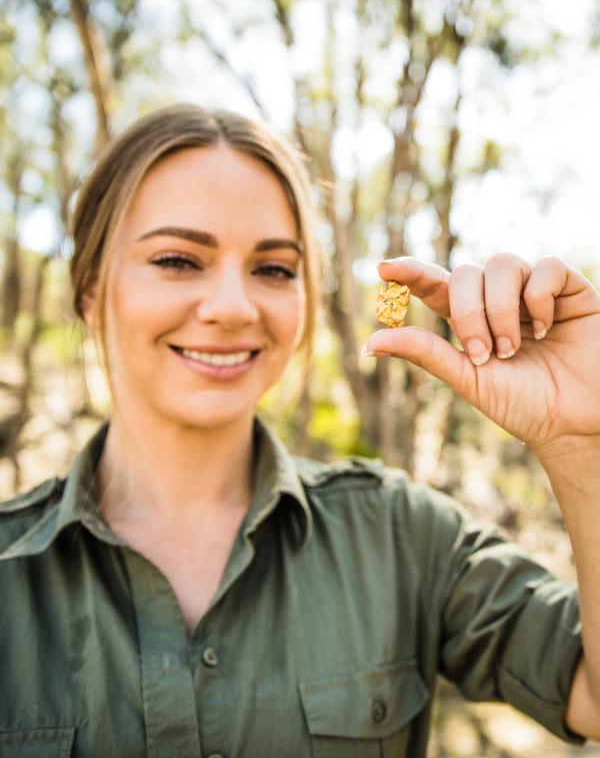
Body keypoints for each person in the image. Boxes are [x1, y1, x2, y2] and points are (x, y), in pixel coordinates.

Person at [1, 103, 599, 758]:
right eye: (177, 259)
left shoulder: (401, 531)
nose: (233, 306)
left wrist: (581, 444)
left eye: (275, 269)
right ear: (90, 288)